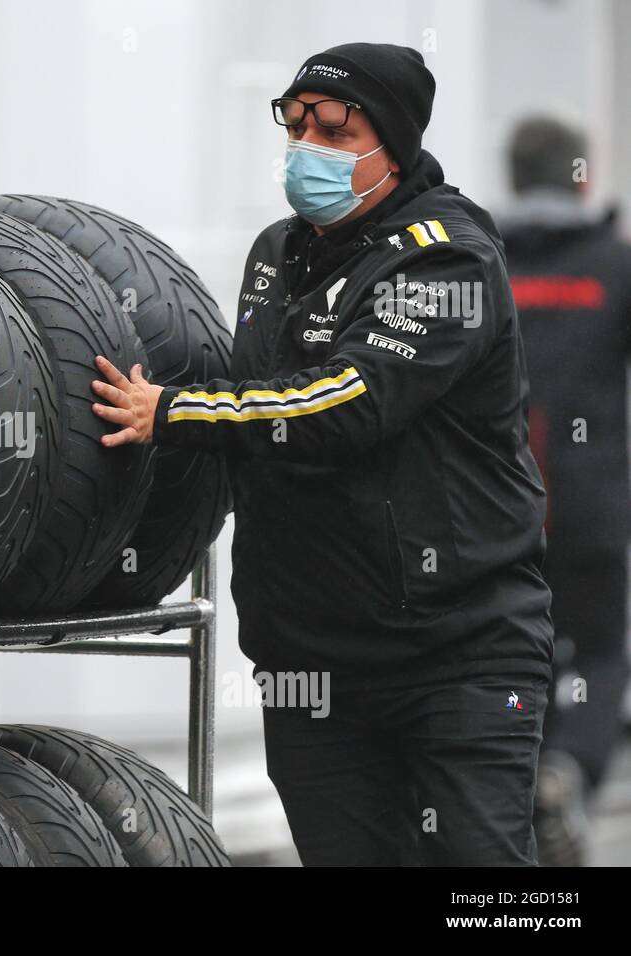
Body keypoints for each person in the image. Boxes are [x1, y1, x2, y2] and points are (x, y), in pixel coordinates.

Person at [91, 43, 552, 865]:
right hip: (307, 659)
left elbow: (348, 402)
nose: (308, 147)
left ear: (395, 142)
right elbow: (252, 406)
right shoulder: (276, 252)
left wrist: (176, 411)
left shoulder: (448, 258)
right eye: (296, 123)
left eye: (336, 129)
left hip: (458, 655)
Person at [496, 116, 631, 866]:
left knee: (518, 661)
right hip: (589, 507)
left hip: (495, 513)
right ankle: (569, 772)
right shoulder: (613, 264)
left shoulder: (476, 264)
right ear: (582, 176)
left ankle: (522, 799)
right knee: (602, 654)